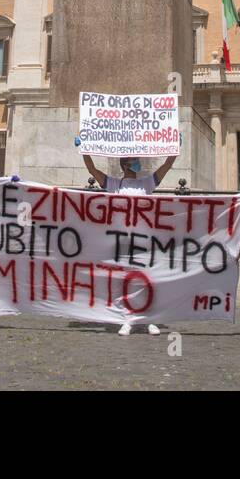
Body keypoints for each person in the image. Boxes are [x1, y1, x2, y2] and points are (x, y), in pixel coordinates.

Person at [80, 143, 177, 335]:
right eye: (135, 160)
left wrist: (175, 146)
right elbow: (92, 169)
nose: (139, 163)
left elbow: (167, 165)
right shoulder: (114, 184)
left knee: (147, 279)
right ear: (126, 164)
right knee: (124, 280)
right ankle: (127, 318)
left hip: (144, 240)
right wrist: (84, 148)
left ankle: (149, 318)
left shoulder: (147, 183)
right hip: (122, 241)